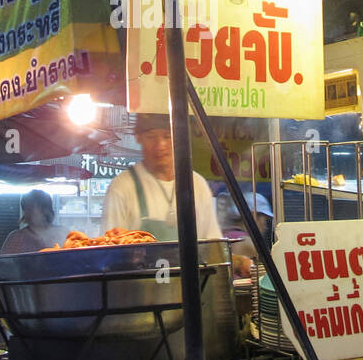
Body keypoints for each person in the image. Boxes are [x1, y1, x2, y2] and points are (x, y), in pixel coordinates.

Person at [103, 114, 253, 273]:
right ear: (138, 137)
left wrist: (235, 261)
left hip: (193, 294)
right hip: (141, 292)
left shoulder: (197, 185)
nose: (160, 145)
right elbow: (111, 255)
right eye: (151, 136)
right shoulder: (123, 187)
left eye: (167, 136)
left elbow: (212, 247)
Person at [214, 189, 275, 268]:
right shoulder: (246, 242)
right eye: (265, 220)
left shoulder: (227, 235)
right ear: (254, 216)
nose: (266, 226)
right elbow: (270, 270)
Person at [0, 189, 66, 254]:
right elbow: (3, 263)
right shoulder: (16, 238)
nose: (29, 212)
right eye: (27, 208)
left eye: (32, 208)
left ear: (47, 209)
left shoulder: (64, 234)